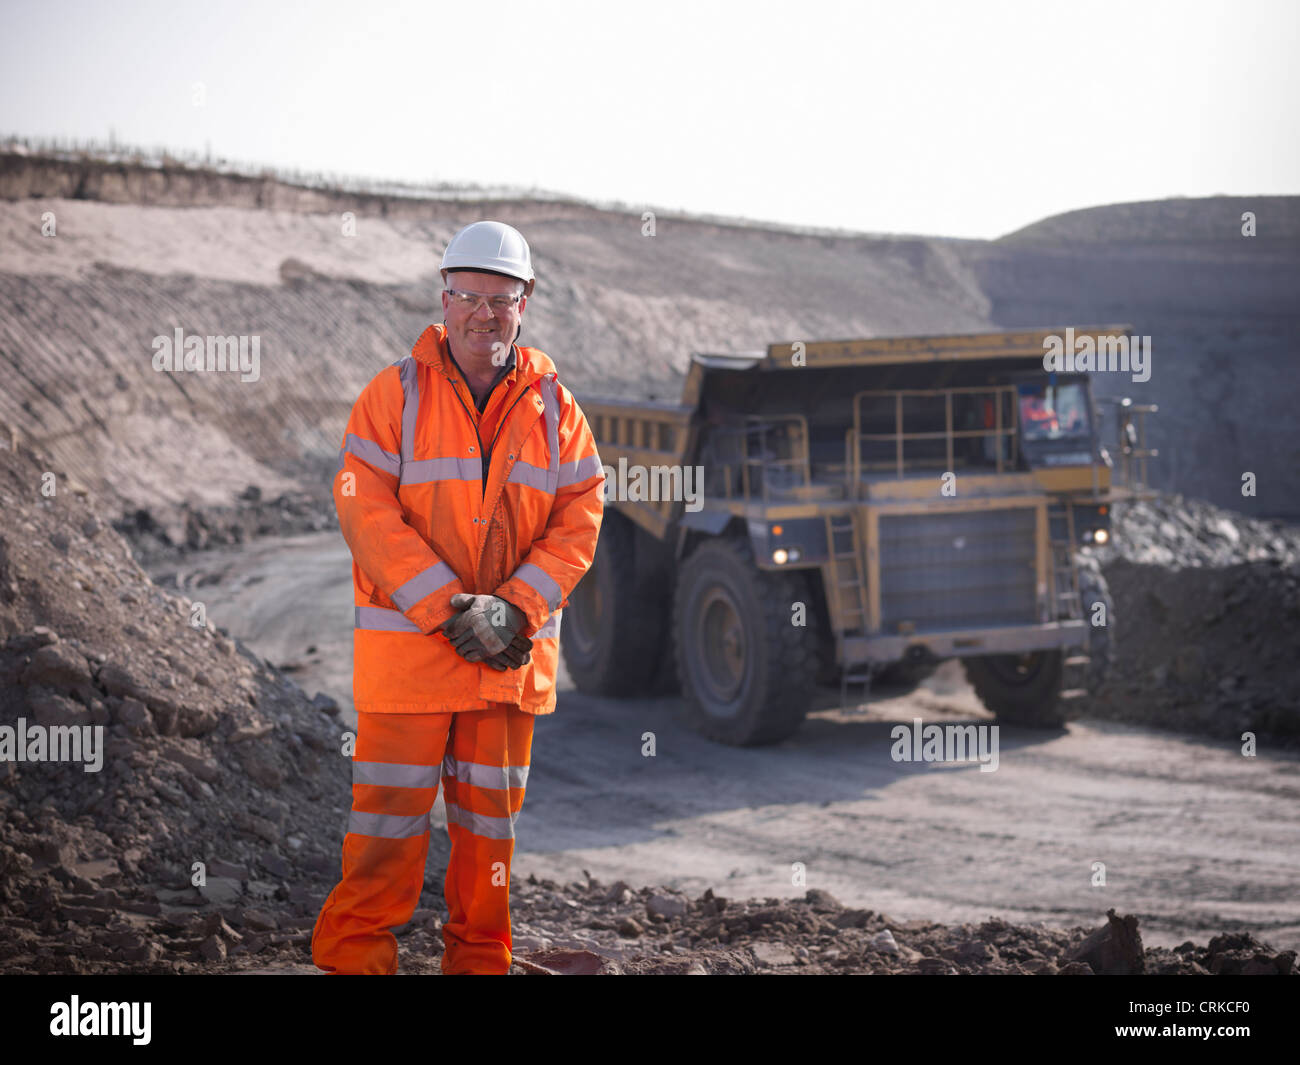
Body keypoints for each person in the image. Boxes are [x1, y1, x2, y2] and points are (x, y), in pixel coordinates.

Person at [311, 220, 605, 975]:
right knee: (382, 842)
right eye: (468, 297)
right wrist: (452, 607)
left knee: (488, 858)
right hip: (412, 669)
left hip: (501, 670)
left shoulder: (556, 410)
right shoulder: (392, 397)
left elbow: (580, 517)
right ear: (443, 299)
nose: (483, 314)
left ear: (525, 302)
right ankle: (355, 964)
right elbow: (363, 511)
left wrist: (515, 607)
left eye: (499, 299)